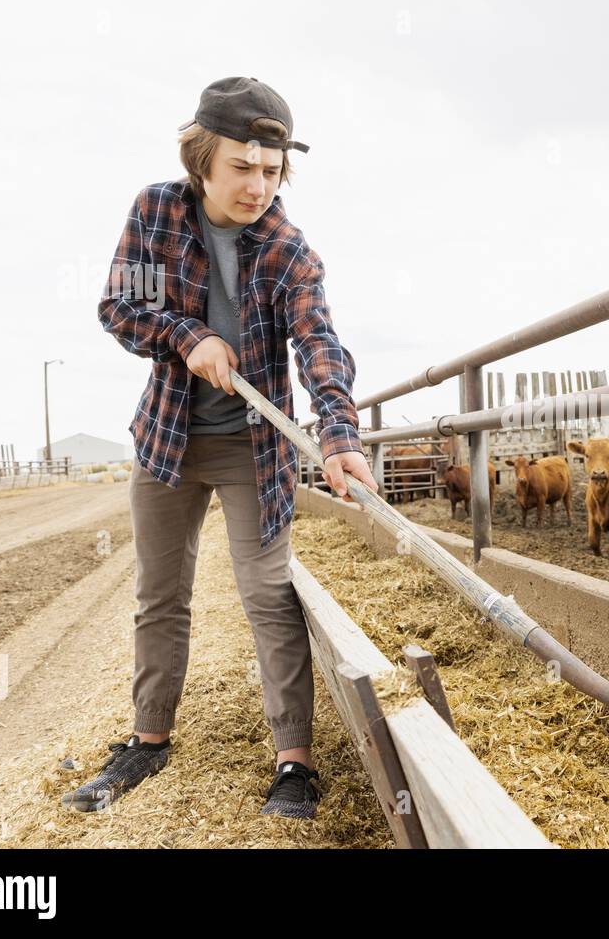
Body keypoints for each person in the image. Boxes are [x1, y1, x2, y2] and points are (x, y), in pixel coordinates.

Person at [64, 77, 377, 820]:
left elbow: (320, 344)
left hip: (252, 450)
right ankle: (147, 739)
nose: (257, 186)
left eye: (271, 170)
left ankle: (294, 762)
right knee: (160, 594)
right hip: (168, 439)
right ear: (201, 160)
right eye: (242, 166)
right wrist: (187, 334)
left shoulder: (289, 250)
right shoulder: (156, 212)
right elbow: (120, 307)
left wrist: (338, 433)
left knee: (269, 596)